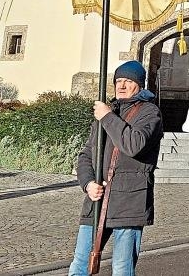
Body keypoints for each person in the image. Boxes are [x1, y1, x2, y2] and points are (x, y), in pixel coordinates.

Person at [68, 61, 164, 276]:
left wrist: (107, 116)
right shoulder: (108, 112)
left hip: (129, 202)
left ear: (139, 85)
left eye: (128, 81)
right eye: (118, 81)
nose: (121, 85)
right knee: (80, 266)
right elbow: (86, 155)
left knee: (122, 268)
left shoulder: (150, 113)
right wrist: (88, 183)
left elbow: (133, 145)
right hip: (97, 200)